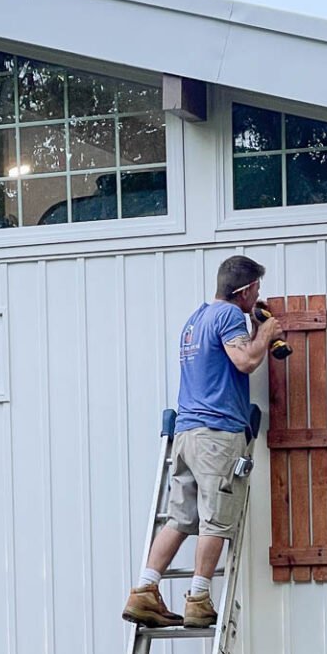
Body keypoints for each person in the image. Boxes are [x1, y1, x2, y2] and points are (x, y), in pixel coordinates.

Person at [122, 255, 279, 629]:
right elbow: (244, 361)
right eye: (255, 289)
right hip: (217, 434)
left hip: (188, 432)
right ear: (242, 291)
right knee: (215, 520)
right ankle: (199, 596)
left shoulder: (195, 319)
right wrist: (267, 332)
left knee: (179, 517)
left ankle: (145, 590)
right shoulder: (228, 316)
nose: (259, 294)